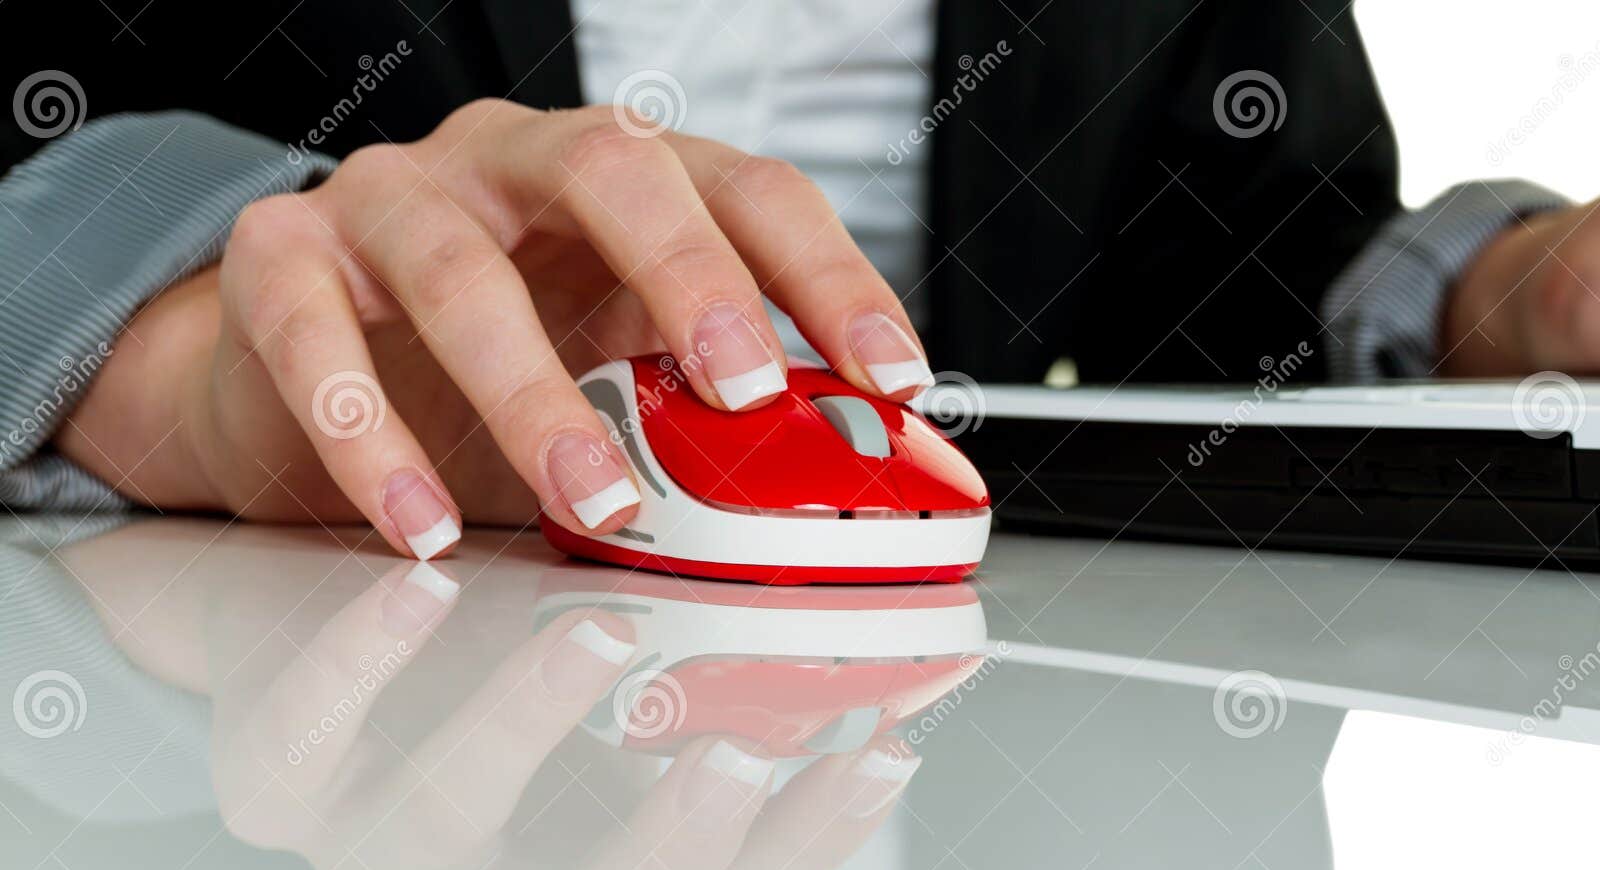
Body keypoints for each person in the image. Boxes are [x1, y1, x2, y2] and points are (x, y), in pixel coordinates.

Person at [1, 1, 1593, 559]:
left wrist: (1508, 299)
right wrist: (168, 357)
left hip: (982, 717)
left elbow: (1238, 270)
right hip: (297, 684)